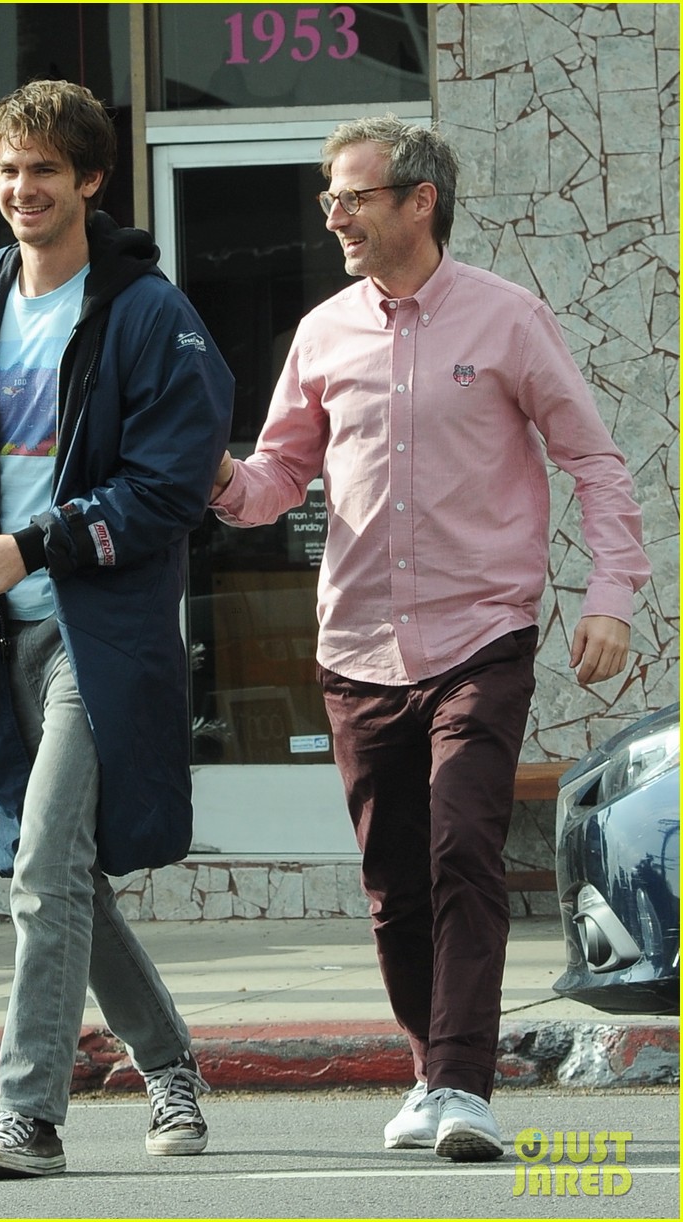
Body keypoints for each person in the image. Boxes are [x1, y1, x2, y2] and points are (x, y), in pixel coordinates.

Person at [210, 115, 649, 1162]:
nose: (334, 214)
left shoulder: (508, 319)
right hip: (356, 646)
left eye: (353, 195)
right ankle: (430, 1073)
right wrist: (216, 476)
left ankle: (461, 1083)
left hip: (481, 634)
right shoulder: (322, 333)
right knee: (393, 884)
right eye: (329, 195)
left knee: (463, 849)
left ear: (420, 200)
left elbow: (595, 462)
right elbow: (278, 478)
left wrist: (611, 593)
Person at [0, 80, 234, 1178]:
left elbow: (171, 484)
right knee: (60, 872)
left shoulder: (149, 314)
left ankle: (28, 1114)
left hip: (100, 637)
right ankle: (169, 1063)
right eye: (8, 169)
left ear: (91, 179)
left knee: (43, 867)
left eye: (43, 169)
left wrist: (39, 544)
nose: (22, 188)